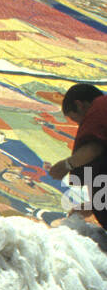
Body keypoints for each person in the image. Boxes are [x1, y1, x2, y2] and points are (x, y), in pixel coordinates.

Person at [49, 83, 107, 232]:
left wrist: (66, 165)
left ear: (79, 105)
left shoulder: (100, 107)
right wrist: (93, 205)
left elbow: (95, 146)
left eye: (77, 120)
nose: (82, 125)